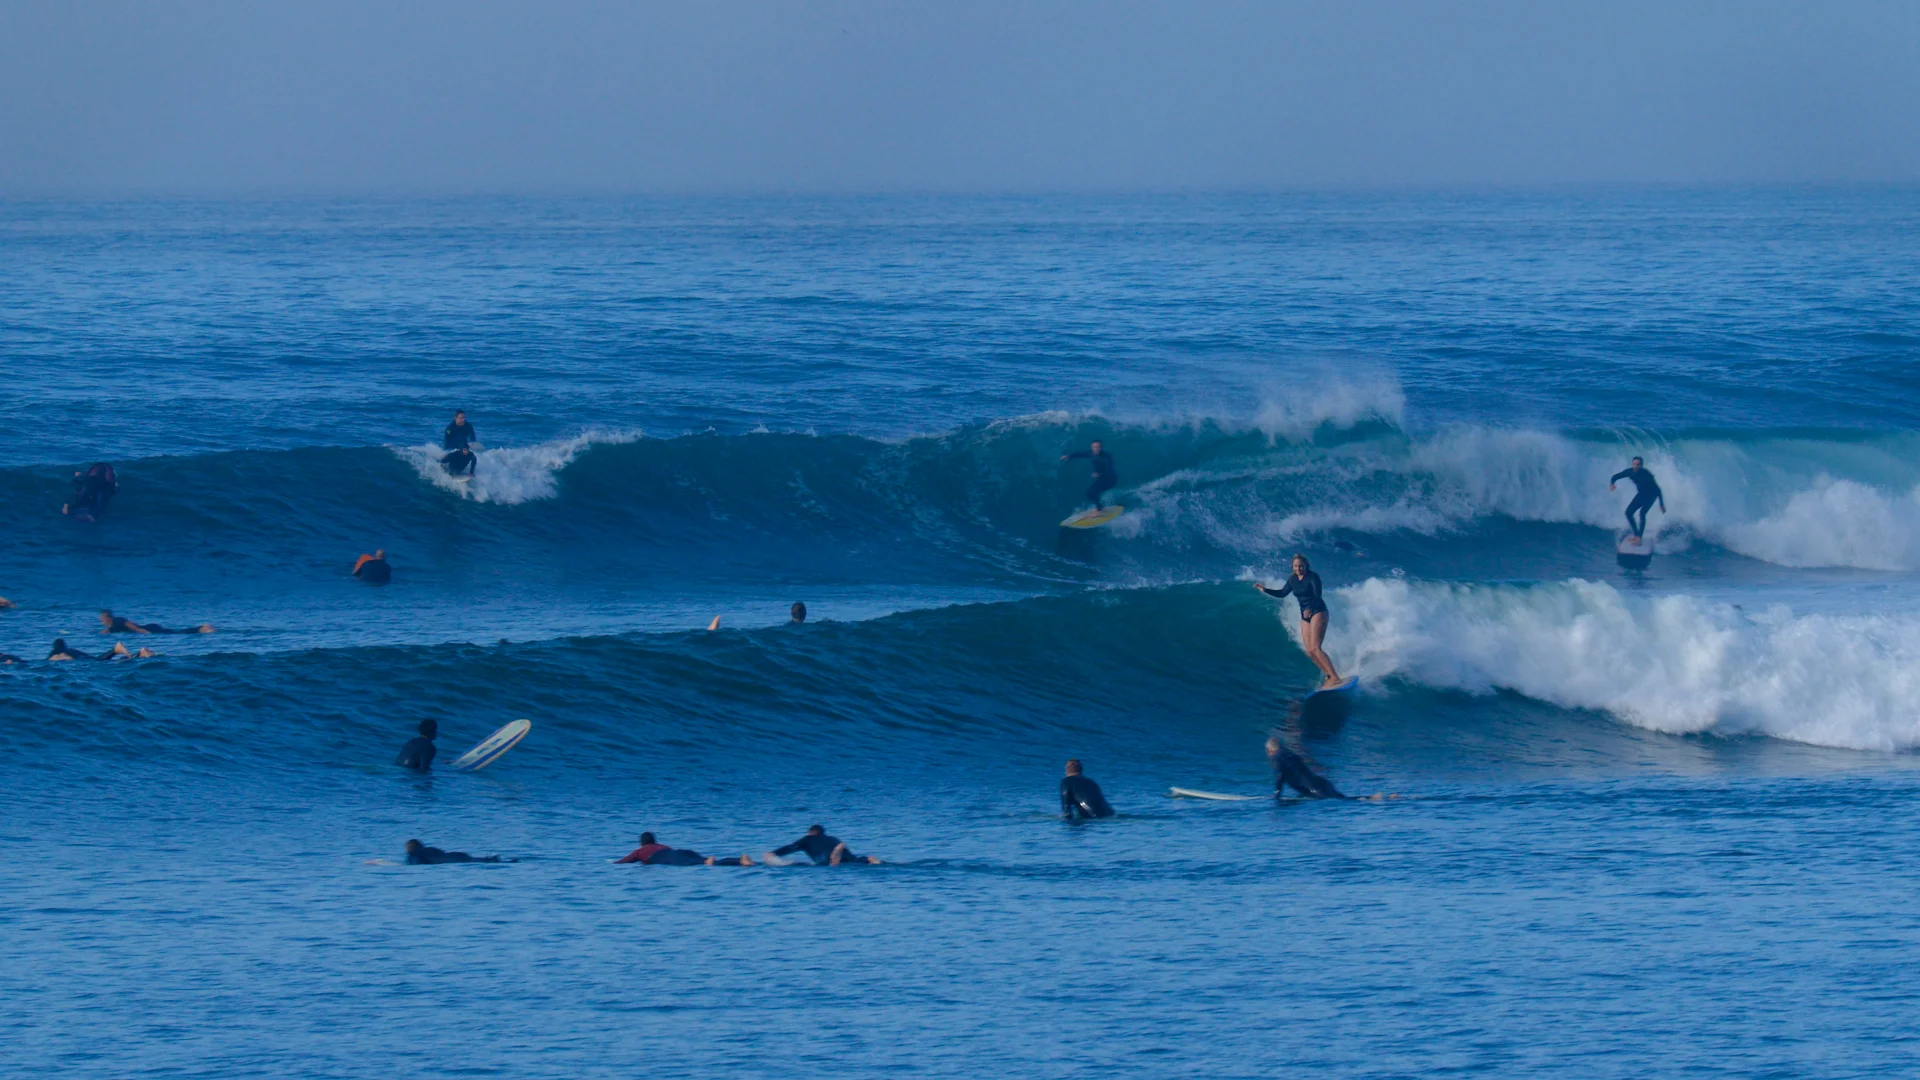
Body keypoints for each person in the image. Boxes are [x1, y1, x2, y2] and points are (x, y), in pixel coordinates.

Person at [1254, 554, 1343, 689]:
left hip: (1318, 611)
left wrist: (1311, 608)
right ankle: (1329, 676)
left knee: (1315, 647)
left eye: (1300, 566)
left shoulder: (1313, 577)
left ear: (1306, 565)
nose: (1298, 569)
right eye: (1295, 566)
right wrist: (1264, 589)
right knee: (1309, 651)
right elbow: (1282, 593)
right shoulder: (1292, 579)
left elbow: (1318, 596)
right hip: (1304, 615)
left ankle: (1335, 677)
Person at [1267, 736, 1346, 799]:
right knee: (1345, 800)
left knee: (1334, 802)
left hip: (1314, 789)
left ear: (1270, 750)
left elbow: (1280, 776)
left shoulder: (1276, 757)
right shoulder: (1289, 753)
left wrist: (1277, 794)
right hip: (1322, 783)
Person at [1609, 457, 1666, 545]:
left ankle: (1639, 537)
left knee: (1642, 513)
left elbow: (1658, 489)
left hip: (1651, 495)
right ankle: (1636, 534)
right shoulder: (1630, 471)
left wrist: (1661, 504)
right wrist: (1612, 484)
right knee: (1628, 513)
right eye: (1634, 464)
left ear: (1641, 465)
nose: (1635, 466)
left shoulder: (1646, 474)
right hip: (1641, 495)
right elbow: (1616, 476)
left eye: (1638, 464)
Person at [767, 824, 881, 866]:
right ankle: (870, 859)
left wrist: (773, 853)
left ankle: (834, 857)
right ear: (822, 833)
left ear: (810, 832)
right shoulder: (832, 838)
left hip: (826, 862)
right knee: (856, 860)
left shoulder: (806, 840)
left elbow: (790, 848)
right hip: (850, 859)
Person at [616, 831, 753, 866]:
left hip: (669, 858)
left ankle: (740, 861)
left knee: (709, 863)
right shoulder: (662, 845)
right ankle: (739, 860)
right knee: (708, 861)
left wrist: (611, 864)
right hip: (679, 851)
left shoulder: (640, 851)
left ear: (641, 843)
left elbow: (625, 861)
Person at [1060, 440, 1118, 511]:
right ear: (1092, 448)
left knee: (1093, 492)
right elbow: (1080, 454)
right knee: (1089, 493)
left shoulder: (1107, 457)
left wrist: (1099, 474)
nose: (1096, 449)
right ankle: (1100, 507)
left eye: (1098, 447)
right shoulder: (1091, 453)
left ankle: (1100, 508)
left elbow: (1110, 471)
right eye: (1094, 447)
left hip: (1110, 480)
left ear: (1101, 447)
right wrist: (1069, 456)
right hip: (1101, 479)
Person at [98, 610, 213, 634]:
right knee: (174, 632)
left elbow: (128, 623)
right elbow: (106, 631)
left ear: (108, 618)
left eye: (102, 619)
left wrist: (140, 630)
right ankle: (200, 628)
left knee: (174, 633)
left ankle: (201, 629)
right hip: (149, 628)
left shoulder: (117, 621)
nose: (101, 621)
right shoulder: (112, 626)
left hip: (149, 629)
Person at [404, 839, 506, 864]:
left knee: (471, 861)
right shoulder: (429, 849)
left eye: (409, 847)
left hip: (448, 859)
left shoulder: (417, 854)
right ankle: (491, 859)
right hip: (454, 855)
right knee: (473, 860)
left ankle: (491, 860)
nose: (407, 850)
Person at [441, 411, 479, 477]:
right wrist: (447, 450)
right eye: (461, 418)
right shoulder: (450, 428)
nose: (463, 419)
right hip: (452, 445)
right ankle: (447, 469)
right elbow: (447, 439)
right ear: (455, 418)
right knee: (452, 456)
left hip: (462, 444)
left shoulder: (468, 426)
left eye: (464, 418)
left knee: (466, 455)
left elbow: (472, 436)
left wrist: (473, 443)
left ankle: (461, 470)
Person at [49, 638, 147, 661]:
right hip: (84, 658)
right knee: (102, 660)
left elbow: (52, 659)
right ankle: (139, 653)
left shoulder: (55, 651)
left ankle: (115, 649)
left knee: (102, 662)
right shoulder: (72, 649)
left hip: (79, 661)